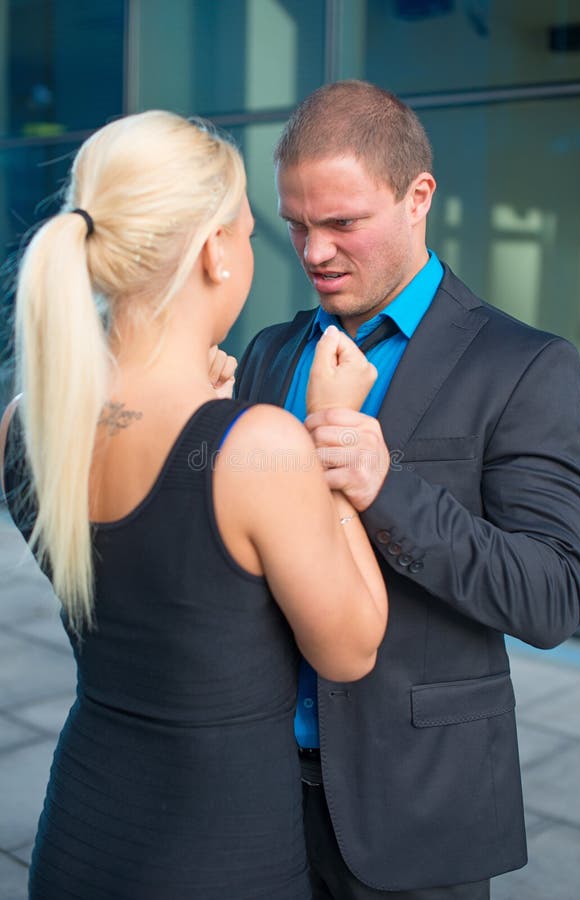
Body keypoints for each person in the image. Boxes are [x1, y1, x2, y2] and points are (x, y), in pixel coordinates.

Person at [0, 109, 388, 900]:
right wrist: (331, 435)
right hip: (218, 860)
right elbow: (350, 649)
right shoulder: (259, 446)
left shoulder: (24, 424)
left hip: (78, 837)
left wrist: (219, 421)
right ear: (215, 251)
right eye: (246, 232)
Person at [234, 80, 580, 900]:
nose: (314, 252)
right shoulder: (268, 353)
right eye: (296, 224)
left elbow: (550, 597)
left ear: (417, 196)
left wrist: (384, 486)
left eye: (341, 223)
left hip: (417, 799)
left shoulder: (521, 364)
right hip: (256, 792)